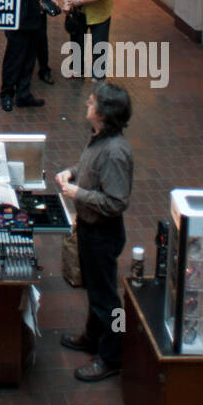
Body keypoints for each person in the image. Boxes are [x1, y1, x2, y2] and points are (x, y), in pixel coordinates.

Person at [56, 82, 133, 382]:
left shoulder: (115, 153)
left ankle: (112, 356)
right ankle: (92, 336)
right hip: (91, 229)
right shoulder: (100, 139)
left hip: (103, 233)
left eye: (93, 102)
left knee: (107, 298)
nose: (88, 103)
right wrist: (73, 172)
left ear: (104, 113)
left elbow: (115, 202)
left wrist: (77, 193)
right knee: (95, 289)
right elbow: (90, 167)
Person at [0, 0, 46, 112]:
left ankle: (24, 95)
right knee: (14, 61)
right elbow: (8, 2)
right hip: (18, 26)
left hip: (34, 23)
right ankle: (7, 94)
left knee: (29, 61)